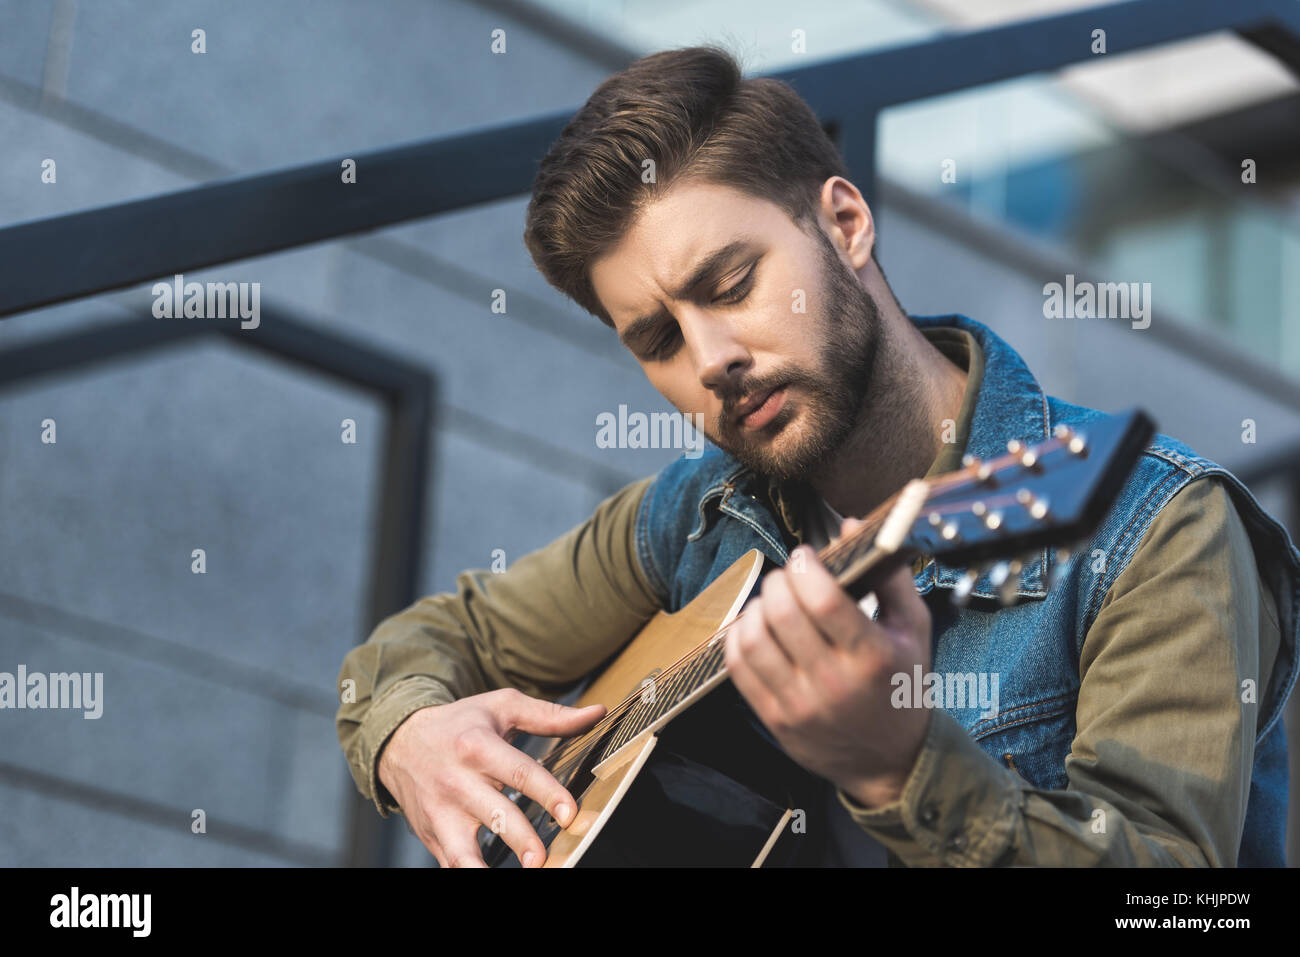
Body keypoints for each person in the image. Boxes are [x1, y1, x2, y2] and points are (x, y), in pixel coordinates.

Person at [335, 45, 1298, 868]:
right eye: (659, 341)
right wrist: (409, 733)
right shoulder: (693, 513)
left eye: (731, 282)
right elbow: (418, 644)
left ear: (844, 224)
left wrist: (903, 767)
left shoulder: (1156, 530)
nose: (712, 360)